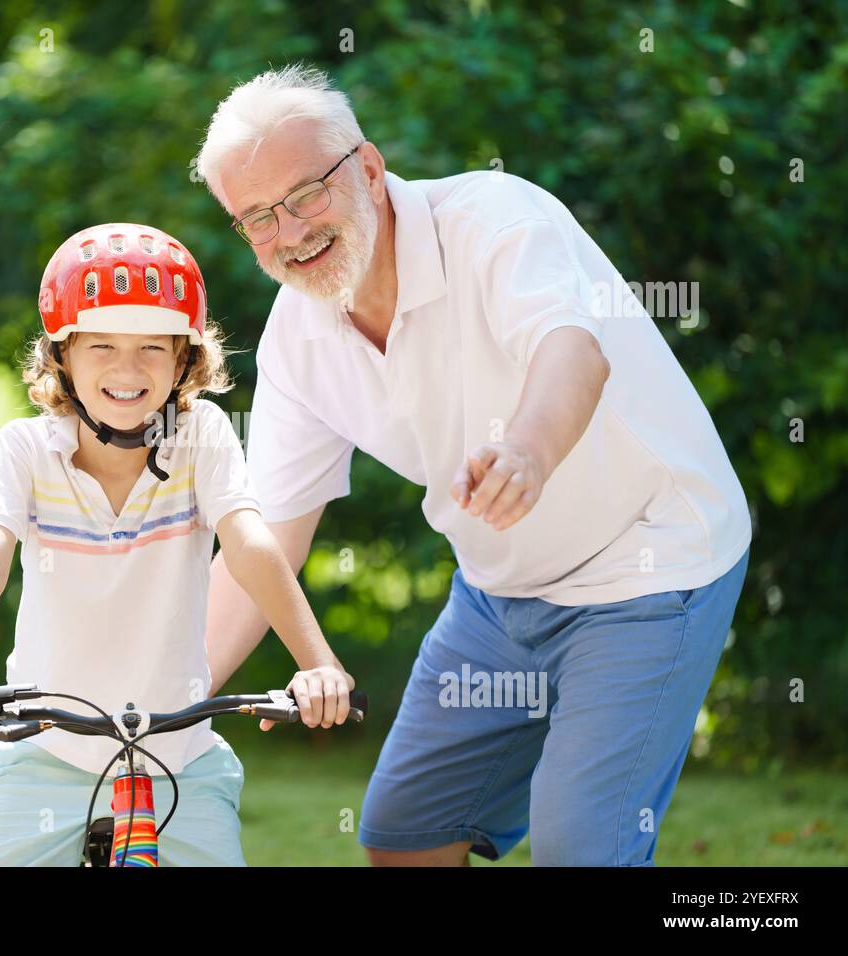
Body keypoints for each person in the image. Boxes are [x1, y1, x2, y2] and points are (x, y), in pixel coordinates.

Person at [195, 64, 752, 866]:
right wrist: (162, 696)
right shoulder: (296, 339)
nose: (289, 233)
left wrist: (527, 449)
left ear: (370, 169)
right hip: (499, 596)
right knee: (404, 837)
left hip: (652, 565)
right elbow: (267, 542)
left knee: (581, 850)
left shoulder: (493, 219)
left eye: (305, 194)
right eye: (256, 218)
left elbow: (574, 350)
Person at [0, 221, 354, 866]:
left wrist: (318, 663)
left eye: (153, 345)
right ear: (62, 353)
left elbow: (251, 544)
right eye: (102, 346)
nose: (127, 368)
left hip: (178, 757)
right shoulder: (26, 451)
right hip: (43, 753)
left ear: (185, 358)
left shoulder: (200, 437)